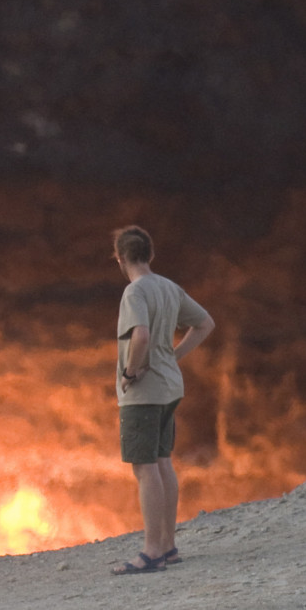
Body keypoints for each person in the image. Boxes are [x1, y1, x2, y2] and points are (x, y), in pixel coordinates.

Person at [109, 225, 213, 575]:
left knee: (144, 467)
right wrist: (175, 355)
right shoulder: (169, 287)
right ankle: (168, 547)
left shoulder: (134, 292)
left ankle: (151, 551)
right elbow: (205, 324)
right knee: (162, 460)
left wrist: (130, 373)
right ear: (150, 254)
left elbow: (140, 335)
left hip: (145, 393)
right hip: (171, 387)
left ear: (121, 258)